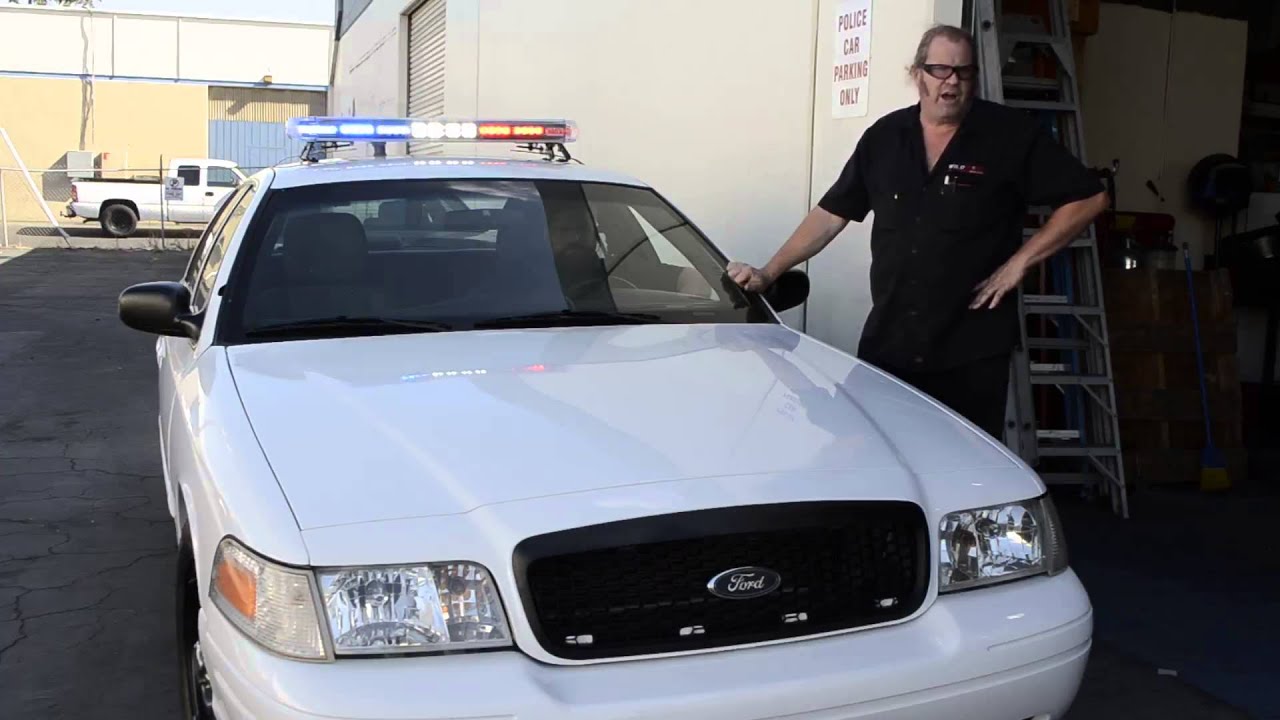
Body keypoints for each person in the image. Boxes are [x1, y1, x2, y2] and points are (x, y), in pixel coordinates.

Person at [727, 24, 1108, 440]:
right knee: (878, 456)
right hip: (890, 346)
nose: (951, 82)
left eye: (963, 72)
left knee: (964, 471)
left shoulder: (1009, 136)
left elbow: (1089, 198)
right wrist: (769, 273)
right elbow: (830, 216)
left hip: (970, 352)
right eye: (940, 70)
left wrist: (1020, 263)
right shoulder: (885, 139)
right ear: (917, 75)